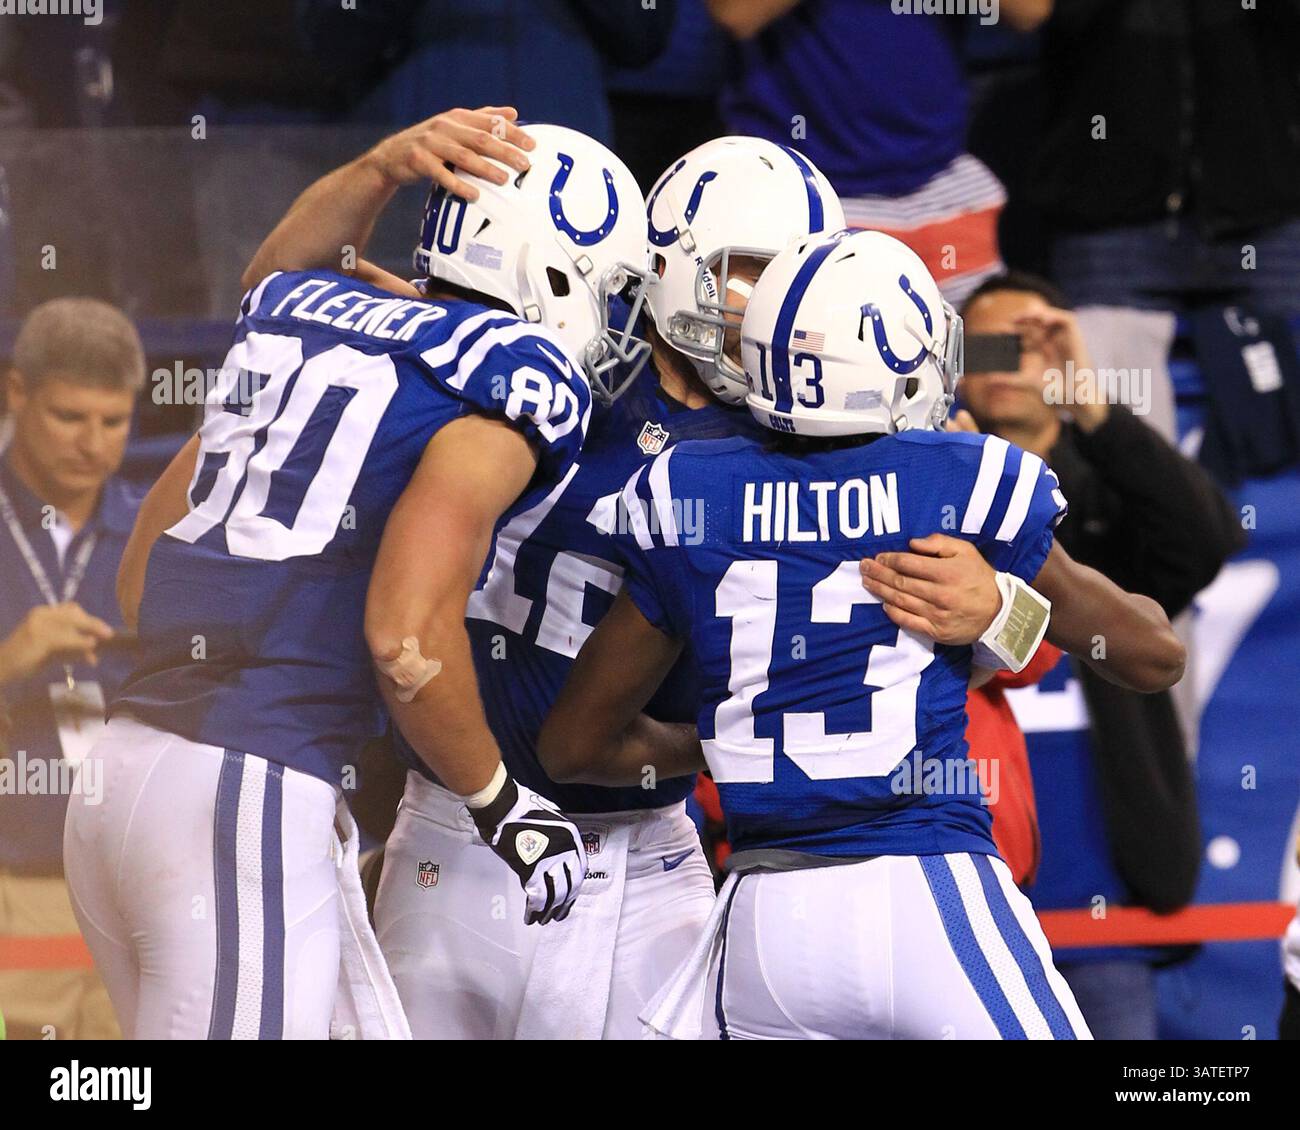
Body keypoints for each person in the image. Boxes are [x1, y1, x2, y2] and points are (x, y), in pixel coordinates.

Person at [62, 119, 648, 1039]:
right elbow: (405, 636)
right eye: (613, 292)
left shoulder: (295, 308)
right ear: (557, 269)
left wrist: (379, 166)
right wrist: (505, 803)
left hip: (119, 782)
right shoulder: (513, 373)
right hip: (246, 787)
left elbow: (141, 580)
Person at [540, 229, 1187, 1040]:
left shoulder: (685, 489)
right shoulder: (962, 478)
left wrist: (733, 739)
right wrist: (1004, 610)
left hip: (762, 922)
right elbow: (1153, 654)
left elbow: (572, 748)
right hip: (921, 889)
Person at [945, 270, 1243, 1038]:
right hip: (953, 898)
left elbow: (1205, 538)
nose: (1008, 363)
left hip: (1102, 906)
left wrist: (1095, 406)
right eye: (987, 345)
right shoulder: (916, 504)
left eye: (1032, 345)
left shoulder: (1108, 511)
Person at [0, 298, 145, 1040]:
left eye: (113, 422)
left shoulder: (158, 535)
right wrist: (10, 660)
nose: (93, 443)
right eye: (68, 417)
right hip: (18, 885)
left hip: (143, 894)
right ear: (16, 392)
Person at [705, 0, 1051, 303]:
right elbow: (736, 12)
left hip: (943, 180)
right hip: (807, 195)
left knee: (987, 359)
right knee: (812, 364)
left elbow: (1030, 10)